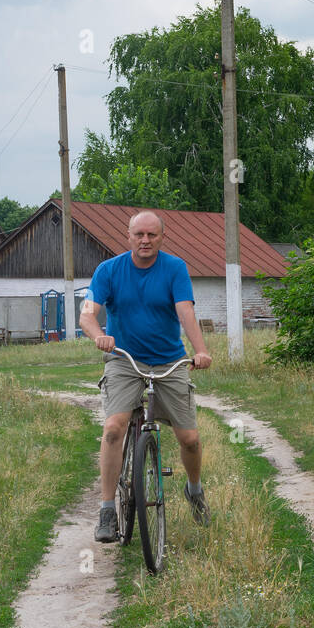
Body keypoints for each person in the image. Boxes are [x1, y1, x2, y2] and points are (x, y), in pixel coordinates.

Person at [79, 210, 213, 543]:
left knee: (190, 439)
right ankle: (108, 509)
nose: (145, 240)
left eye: (152, 235)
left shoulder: (174, 268)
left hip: (168, 359)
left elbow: (186, 312)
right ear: (128, 236)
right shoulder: (109, 270)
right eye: (139, 234)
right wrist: (98, 335)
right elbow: (87, 314)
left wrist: (200, 350)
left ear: (161, 238)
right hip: (124, 359)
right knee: (113, 428)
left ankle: (194, 489)